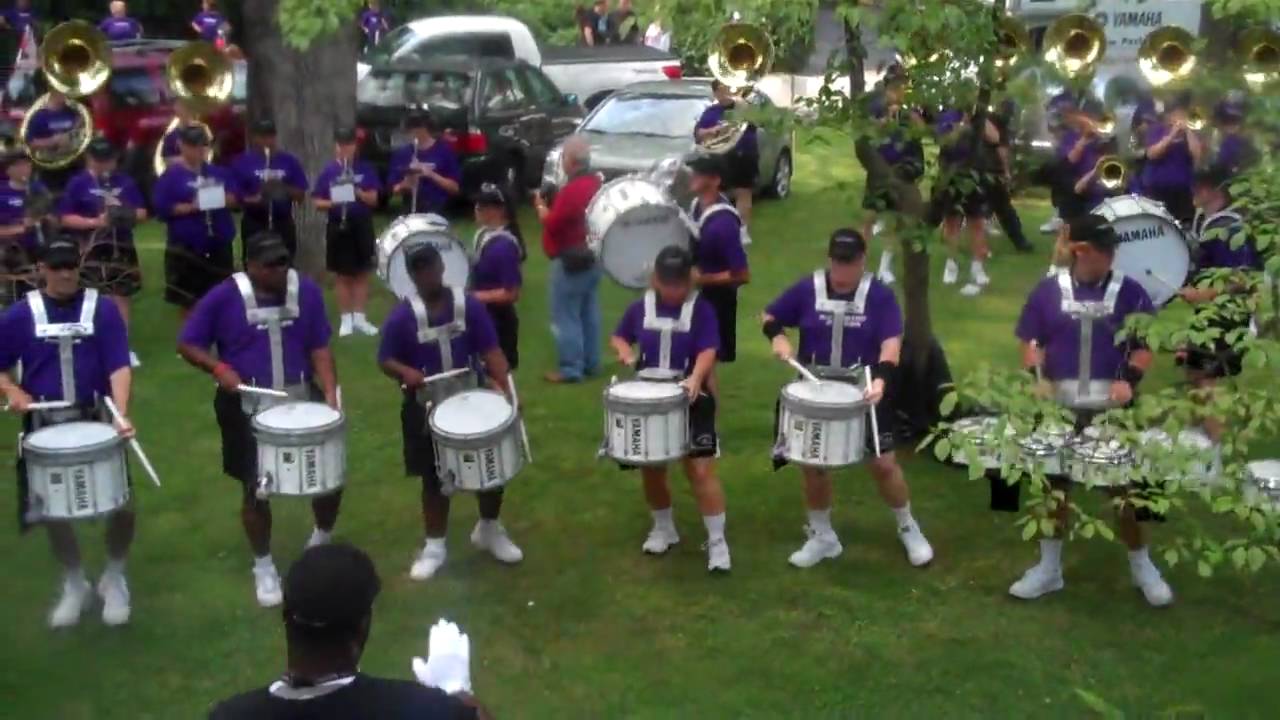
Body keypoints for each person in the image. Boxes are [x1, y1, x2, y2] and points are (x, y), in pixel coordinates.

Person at [1012, 214, 1171, 607]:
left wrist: (1129, 380)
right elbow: (1030, 339)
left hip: (1111, 409)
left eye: (1111, 251)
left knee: (1125, 492)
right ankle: (1049, 569)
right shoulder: (1049, 291)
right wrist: (1036, 374)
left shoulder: (1130, 293)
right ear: (1079, 251)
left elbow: (1146, 344)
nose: (1109, 258)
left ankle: (1141, 565)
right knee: (1053, 488)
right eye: (1102, 252)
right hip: (1059, 407)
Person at [178, 232, 342, 608]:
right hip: (247, 402)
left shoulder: (307, 292)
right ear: (249, 266)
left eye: (283, 262)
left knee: (329, 476)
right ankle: (264, 566)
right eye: (269, 265)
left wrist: (331, 391)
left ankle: (321, 538)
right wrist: (217, 366)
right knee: (257, 487)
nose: (279, 271)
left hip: (301, 393)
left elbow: (319, 345)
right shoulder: (223, 296)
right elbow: (188, 342)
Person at [762, 229, 934, 569]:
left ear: (862, 261)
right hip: (816, 387)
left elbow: (891, 344)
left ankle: (908, 526)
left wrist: (883, 379)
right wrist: (777, 338)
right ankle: (823, 536)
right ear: (829, 260)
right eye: (838, 263)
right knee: (813, 465)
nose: (842, 271)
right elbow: (770, 316)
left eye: (850, 263)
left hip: (865, 386)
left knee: (883, 464)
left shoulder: (879, 296)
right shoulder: (808, 288)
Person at [0, 239, 137, 628]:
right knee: (52, 510)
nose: (66, 274)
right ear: (42, 267)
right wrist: (12, 390)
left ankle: (114, 575)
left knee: (121, 504)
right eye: (57, 267)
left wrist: (121, 414)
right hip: (44, 426)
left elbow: (119, 366)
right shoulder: (20, 314)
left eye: (71, 266)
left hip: (97, 416)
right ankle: (75, 581)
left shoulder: (103, 309)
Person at [209, 543, 489, 719]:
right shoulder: (420, 709)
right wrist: (457, 691)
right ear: (363, 626)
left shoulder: (229, 715)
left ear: (286, 617)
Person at [378, 243, 524, 580]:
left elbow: (491, 350)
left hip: (471, 398)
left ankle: (489, 528)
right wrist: (405, 373)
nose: (428, 275)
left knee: (491, 467)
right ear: (412, 276)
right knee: (434, 480)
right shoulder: (402, 316)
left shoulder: (468, 306)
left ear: (442, 267)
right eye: (420, 270)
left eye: (432, 267)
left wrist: (509, 390)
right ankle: (435, 546)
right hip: (426, 406)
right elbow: (385, 358)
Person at [609, 245, 731, 572]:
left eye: (681, 283)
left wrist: (695, 378)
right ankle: (664, 528)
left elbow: (708, 350)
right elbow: (620, 337)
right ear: (656, 280)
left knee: (700, 470)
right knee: (652, 467)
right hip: (651, 399)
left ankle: (717, 542)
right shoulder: (640, 308)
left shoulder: (701, 309)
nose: (676, 290)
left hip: (691, 396)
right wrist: (624, 352)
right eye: (669, 283)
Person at [1178, 167, 1261, 442]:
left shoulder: (1229, 228)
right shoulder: (1208, 219)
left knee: (1208, 379)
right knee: (1195, 371)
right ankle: (1196, 436)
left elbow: (1242, 278)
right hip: (1210, 311)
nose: (1193, 192)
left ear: (1212, 190)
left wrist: (1201, 295)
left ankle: (1217, 448)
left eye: (1198, 187)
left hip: (1228, 313)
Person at [57, 137, 147, 367]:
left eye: (109, 160)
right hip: (91, 246)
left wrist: (124, 215)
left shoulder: (125, 182)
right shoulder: (78, 183)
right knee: (89, 296)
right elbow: (66, 217)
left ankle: (122, 347)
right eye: (100, 161)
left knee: (121, 295)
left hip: (121, 245)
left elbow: (142, 212)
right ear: (89, 159)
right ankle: (90, 343)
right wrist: (95, 222)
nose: (105, 165)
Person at [535, 135, 602, 384]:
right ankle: (592, 363)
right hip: (592, 256)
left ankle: (571, 368)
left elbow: (553, 223)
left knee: (566, 315)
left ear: (572, 162)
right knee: (588, 312)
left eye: (563, 157)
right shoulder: (595, 183)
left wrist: (542, 209)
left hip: (571, 259)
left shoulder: (573, 190)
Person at [153, 124, 239, 316]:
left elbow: (234, 197)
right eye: (193, 145)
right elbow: (163, 208)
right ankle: (193, 341)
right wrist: (193, 206)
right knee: (189, 302)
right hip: (186, 247)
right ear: (182, 146)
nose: (199, 150)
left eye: (203, 145)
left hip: (218, 244)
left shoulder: (218, 172)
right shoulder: (170, 177)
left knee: (223, 299)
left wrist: (217, 199)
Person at [312, 126, 380, 338]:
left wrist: (357, 191)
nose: (345, 149)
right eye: (341, 145)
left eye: (349, 145)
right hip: (338, 224)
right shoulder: (329, 171)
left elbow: (374, 199)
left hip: (361, 222)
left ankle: (360, 318)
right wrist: (335, 201)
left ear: (355, 146)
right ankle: (346, 319)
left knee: (361, 271)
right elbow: (317, 201)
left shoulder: (366, 168)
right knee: (342, 274)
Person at [861, 67, 924, 284]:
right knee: (869, 217)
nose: (900, 90)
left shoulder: (910, 109)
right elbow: (867, 133)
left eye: (903, 85)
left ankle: (884, 267)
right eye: (896, 85)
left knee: (895, 220)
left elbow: (922, 134)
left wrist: (916, 122)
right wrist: (885, 120)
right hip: (880, 168)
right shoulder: (875, 105)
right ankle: (859, 263)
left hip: (902, 169)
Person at [686, 154, 748, 363]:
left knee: (706, 357)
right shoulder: (696, 205)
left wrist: (702, 280)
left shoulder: (724, 223)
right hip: (698, 294)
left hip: (718, 300)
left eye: (700, 173)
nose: (693, 176)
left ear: (715, 180)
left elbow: (742, 275)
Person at [930, 107, 997, 296]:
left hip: (975, 175)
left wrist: (980, 118)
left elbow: (994, 138)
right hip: (952, 174)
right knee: (952, 223)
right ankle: (952, 264)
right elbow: (944, 140)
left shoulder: (979, 117)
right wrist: (962, 125)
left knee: (976, 223)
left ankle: (977, 267)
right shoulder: (948, 115)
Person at [231, 118, 308, 262]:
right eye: (262, 137)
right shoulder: (242, 162)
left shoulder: (289, 161)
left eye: (270, 136)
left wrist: (282, 188)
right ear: (254, 138)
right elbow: (234, 198)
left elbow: (301, 195)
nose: (267, 141)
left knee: (284, 263)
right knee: (255, 263)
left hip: (282, 221)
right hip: (255, 222)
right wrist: (254, 198)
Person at [694, 81, 758, 244]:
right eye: (721, 90)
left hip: (745, 154)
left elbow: (758, 122)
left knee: (743, 192)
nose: (726, 93)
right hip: (721, 156)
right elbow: (699, 133)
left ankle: (742, 231)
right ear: (715, 94)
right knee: (717, 194)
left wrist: (742, 105)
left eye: (728, 89)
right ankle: (716, 227)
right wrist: (713, 130)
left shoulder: (744, 108)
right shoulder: (710, 112)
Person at [471, 184, 525, 369]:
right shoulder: (484, 236)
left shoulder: (503, 246)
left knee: (499, 375)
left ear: (498, 210)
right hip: (485, 317)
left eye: (481, 206)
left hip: (499, 321)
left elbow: (511, 293)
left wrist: (474, 297)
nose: (476, 210)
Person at [1139, 96, 1203, 224]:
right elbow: (1152, 154)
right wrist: (1172, 135)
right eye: (1177, 114)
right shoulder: (1157, 130)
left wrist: (1188, 132)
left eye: (1183, 114)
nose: (1180, 117)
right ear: (1169, 115)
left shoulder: (1191, 134)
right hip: (1158, 191)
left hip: (1183, 191)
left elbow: (1197, 155)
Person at [983, 98, 1033, 253]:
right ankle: (1020, 241)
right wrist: (1006, 172)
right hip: (991, 169)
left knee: (995, 206)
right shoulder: (1000, 124)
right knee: (1003, 207)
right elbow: (1002, 150)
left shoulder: (988, 120)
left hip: (982, 167)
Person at [387, 112, 460, 217]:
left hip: (438, 207)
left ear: (423, 129)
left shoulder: (444, 151)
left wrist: (431, 174)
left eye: (412, 131)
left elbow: (454, 188)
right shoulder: (402, 154)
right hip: (410, 205)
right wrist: (406, 183)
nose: (410, 135)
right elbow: (394, 189)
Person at [0, 146, 49, 259]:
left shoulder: (39, 190)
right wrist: (20, 228)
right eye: (19, 165)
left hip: (40, 247)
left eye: (27, 164)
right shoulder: (2, 193)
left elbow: (51, 216)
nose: (24, 168)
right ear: (8, 169)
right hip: (8, 251)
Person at [1209, 96, 1257, 179]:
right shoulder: (1218, 139)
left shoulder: (1246, 142)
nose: (1230, 125)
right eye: (1227, 122)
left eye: (1234, 121)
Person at [158, 101, 205, 172]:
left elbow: (205, 156)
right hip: (179, 175)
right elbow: (166, 160)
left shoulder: (202, 131)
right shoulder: (171, 136)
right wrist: (189, 158)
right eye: (182, 107)